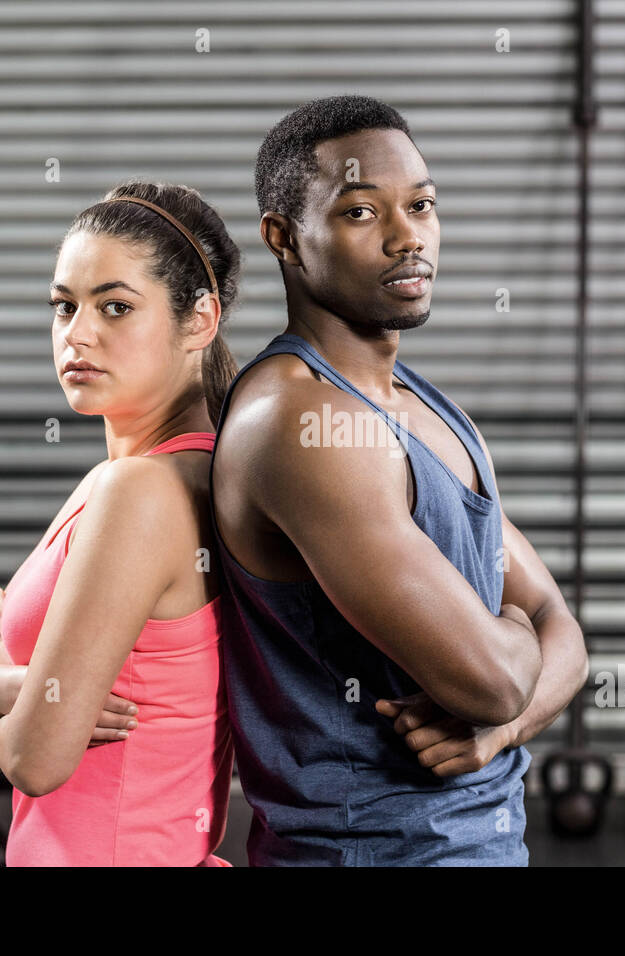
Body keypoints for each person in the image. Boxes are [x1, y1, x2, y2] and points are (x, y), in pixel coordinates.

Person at [210, 95, 591, 866]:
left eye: (421, 205)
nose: (406, 236)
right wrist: (512, 649)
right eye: (360, 212)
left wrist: (503, 729)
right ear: (285, 239)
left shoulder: (424, 410)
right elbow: (493, 676)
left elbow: (563, 629)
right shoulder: (298, 422)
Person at [0, 180, 242, 866]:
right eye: (64, 306)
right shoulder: (149, 477)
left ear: (199, 320)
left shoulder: (140, 492)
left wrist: (2, 679)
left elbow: (33, 759)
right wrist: (7, 685)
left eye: (115, 307)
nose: (77, 334)